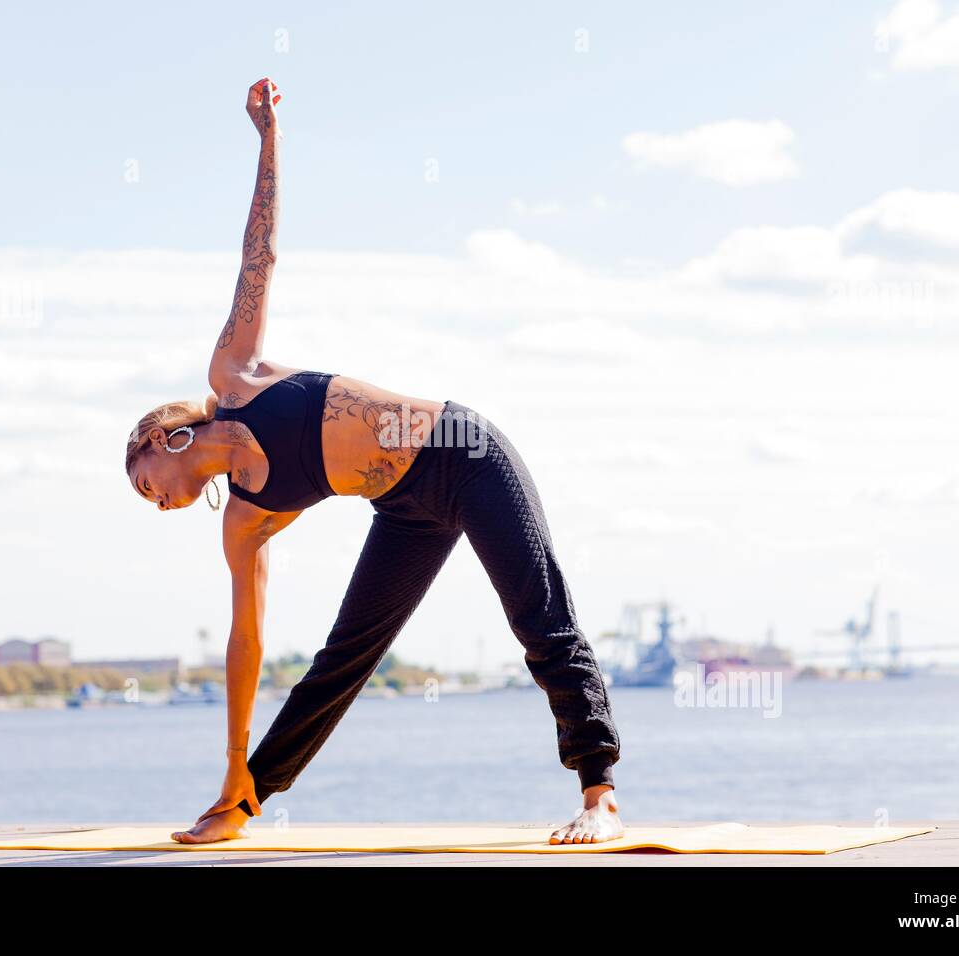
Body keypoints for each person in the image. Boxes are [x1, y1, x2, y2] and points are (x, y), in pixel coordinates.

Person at [125, 78, 623, 845]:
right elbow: (246, 645)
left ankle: (600, 796)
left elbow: (260, 254)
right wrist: (229, 766)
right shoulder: (246, 524)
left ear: (160, 439)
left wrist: (268, 140)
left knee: (538, 614)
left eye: (144, 484)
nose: (151, 501)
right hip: (405, 509)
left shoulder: (235, 376)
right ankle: (243, 800)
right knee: (344, 655)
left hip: (464, 451)